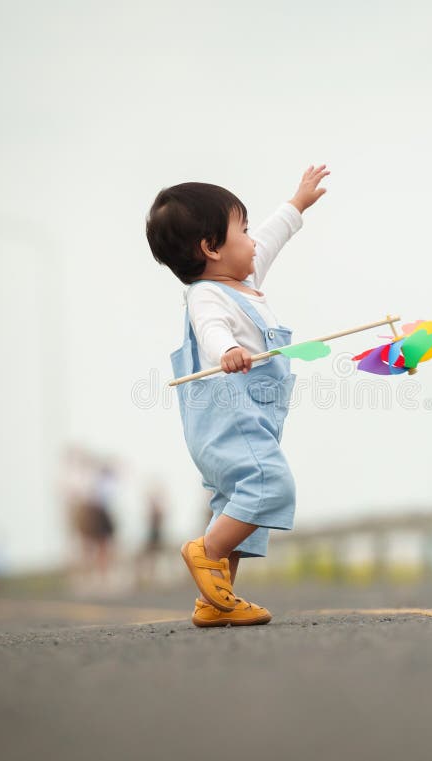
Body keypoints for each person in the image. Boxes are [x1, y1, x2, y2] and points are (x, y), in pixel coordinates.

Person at [146, 165, 329, 627]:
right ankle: (204, 552)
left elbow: (269, 240)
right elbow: (209, 331)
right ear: (210, 249)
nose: (252, 241)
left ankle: (216, 599)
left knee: (237, 502)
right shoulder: (206, 296)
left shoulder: (242, 282)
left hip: (249, 421)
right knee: (270, 484)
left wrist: (297, 203)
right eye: (241, 231)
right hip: (229, 419)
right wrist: (226, 351)